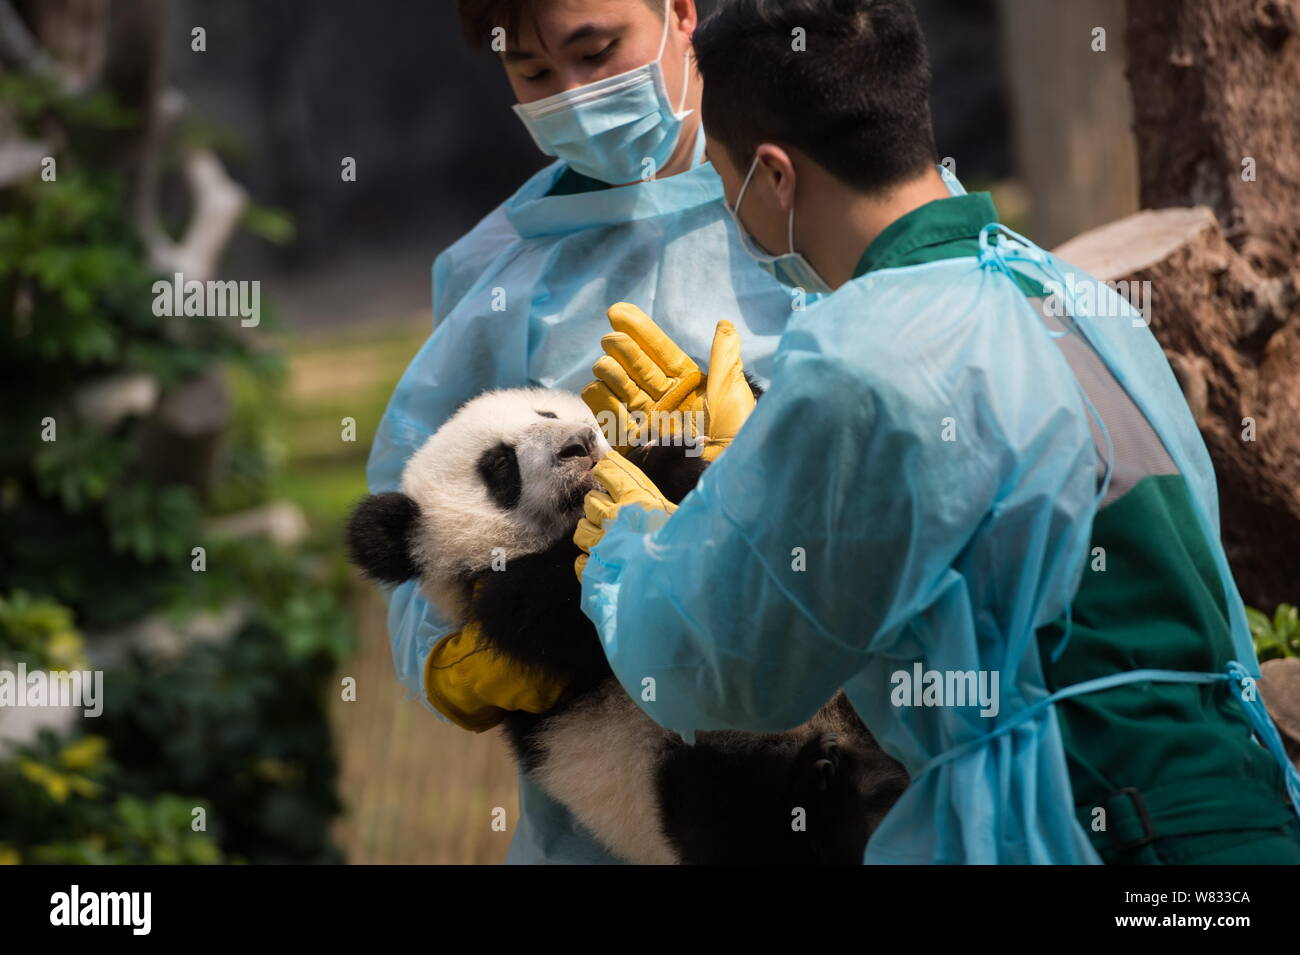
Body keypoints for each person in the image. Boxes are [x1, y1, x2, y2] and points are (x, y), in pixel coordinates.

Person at [573, 0, 1300, 863]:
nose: (732, 219)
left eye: (726, 184)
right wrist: (767, 463)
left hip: (1091, 825)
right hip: (1247, 814)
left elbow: (727, 666)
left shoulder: (857, 358)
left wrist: (632, 551)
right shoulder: (1081, 300)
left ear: (775, 175)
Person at [367, 0, 964, 864]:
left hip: (878, 775)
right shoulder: (489, 276)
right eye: (533, 73)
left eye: (597, 50)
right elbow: (418, 515)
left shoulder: (823, 186)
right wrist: (452, 653)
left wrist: (749, 461)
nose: (572, 92)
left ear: (682, 12)